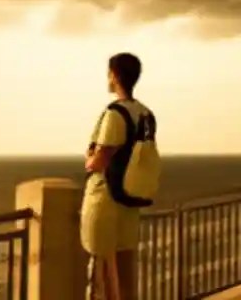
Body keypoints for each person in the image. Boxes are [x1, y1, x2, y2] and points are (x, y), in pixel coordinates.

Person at [82, 52, 157, 300]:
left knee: (101, 269)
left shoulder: (115, 114)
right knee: (125, 268)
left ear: (115, 76)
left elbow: (99, 159)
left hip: (106, 199)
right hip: (129, 198)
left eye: (109, 73)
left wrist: (90, 159)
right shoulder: (145, 113)